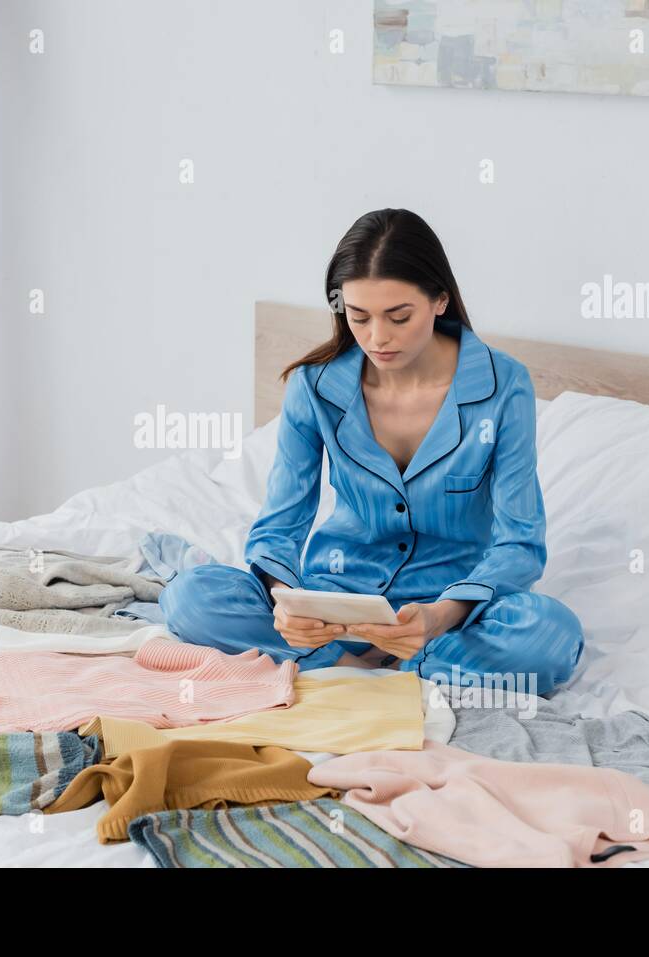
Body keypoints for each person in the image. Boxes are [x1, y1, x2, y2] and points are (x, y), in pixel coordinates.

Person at [159, 209, 583, 694]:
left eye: (399, 317)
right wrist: (286, 603)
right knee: (190, 598)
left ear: (440, 299)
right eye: (358, 317)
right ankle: (350, 665)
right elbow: (279, 525)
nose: (377, 338)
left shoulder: (503, 385)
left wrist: (441, 615)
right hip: (334, 599)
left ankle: (374, 668)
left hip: (446, 612)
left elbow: (519, 544)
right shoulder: (315, 386)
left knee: (551, 637)